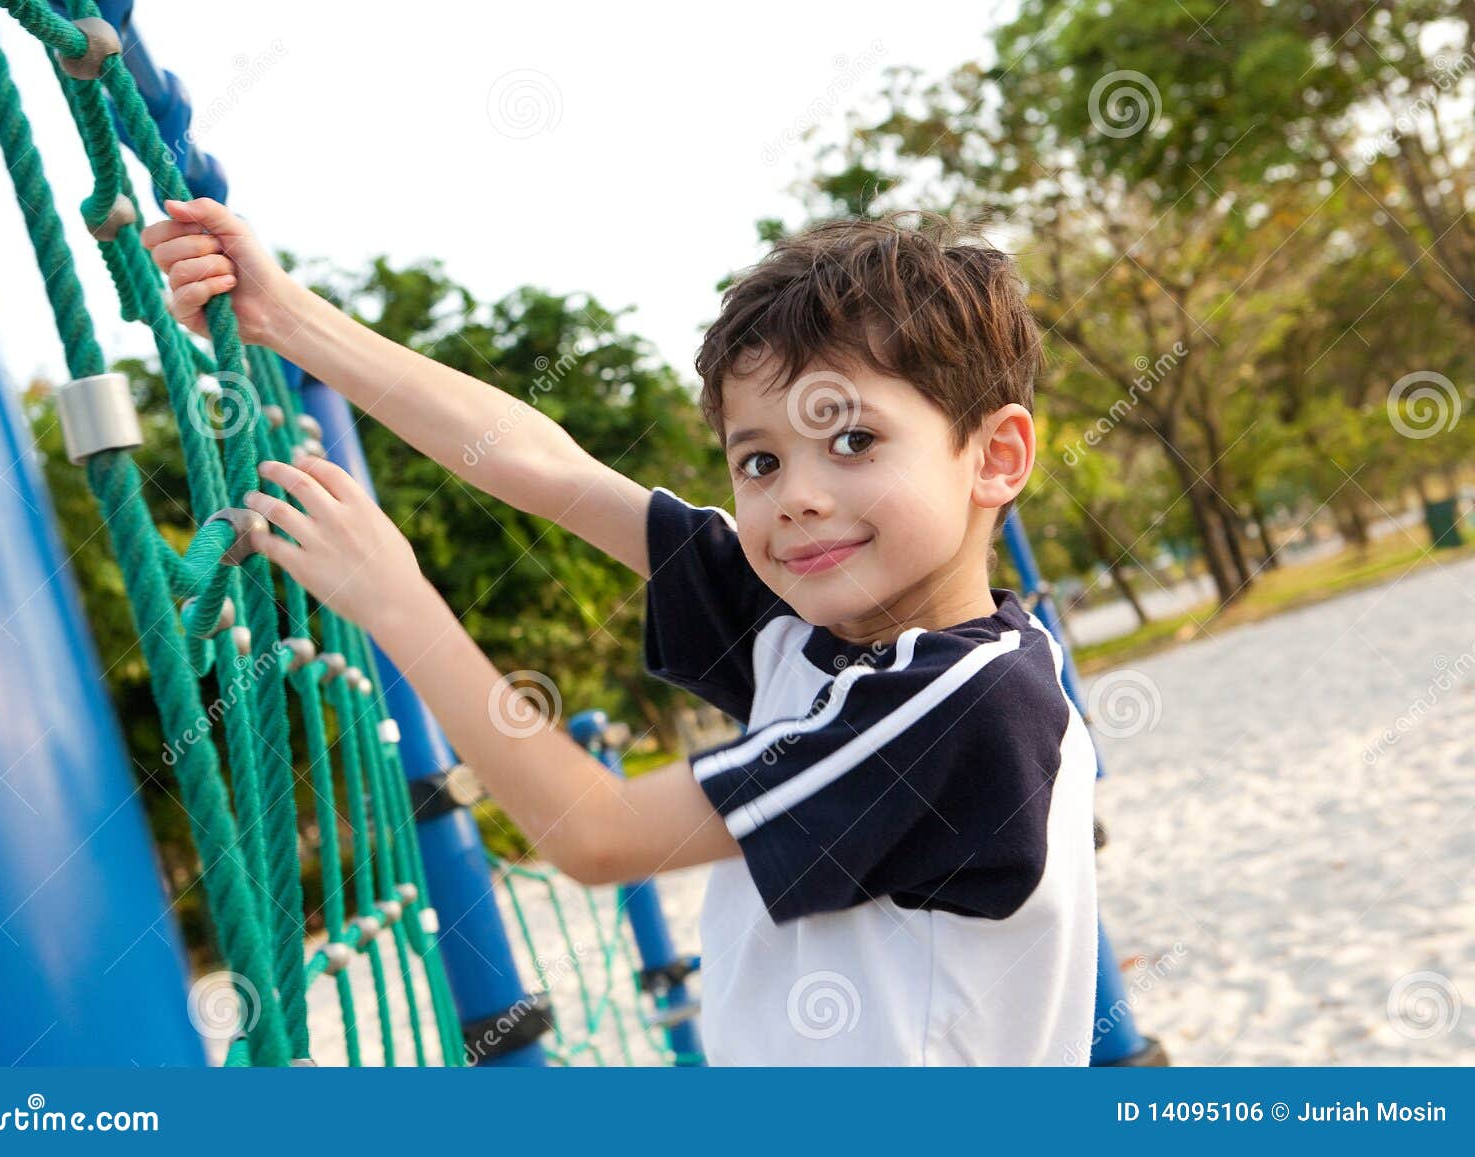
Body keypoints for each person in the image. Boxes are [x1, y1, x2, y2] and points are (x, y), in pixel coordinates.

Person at [142, 202, 1098, 1065]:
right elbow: (551, 469)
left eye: (854, 441)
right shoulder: (828, 621)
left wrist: (396, 599)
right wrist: (286, 317)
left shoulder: (963, 700)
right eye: (758, 460)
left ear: (996, 455)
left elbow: (595, 836)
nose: (798, 498)